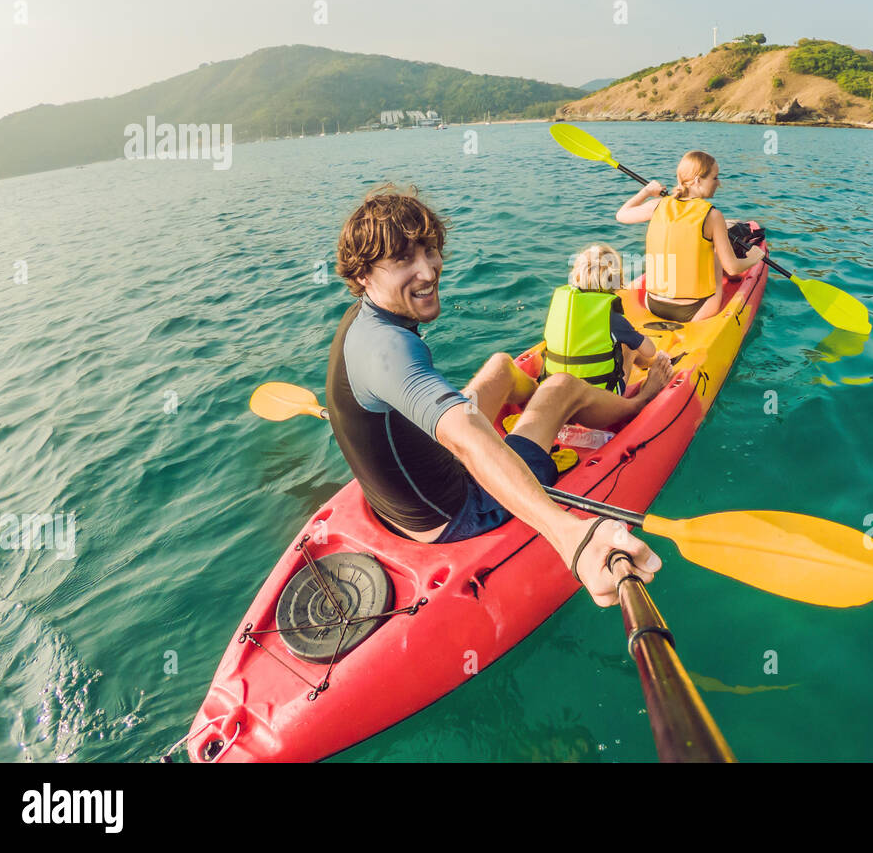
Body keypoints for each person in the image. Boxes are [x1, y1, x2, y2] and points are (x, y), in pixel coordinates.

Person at [324, 185, 673, 606]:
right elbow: (464, 435)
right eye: (402, 259)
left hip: (420, 494)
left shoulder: (360, 324)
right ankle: (631, 403)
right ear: (363, 273)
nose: (428, 270)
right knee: (560, 387)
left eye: (429, 250)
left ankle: (536, 416)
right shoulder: (390, 349)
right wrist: (568, 535)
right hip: (460, 514)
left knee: (501, 366)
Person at [615, 150, 765, 322]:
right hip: (695, 310)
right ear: (697, 180)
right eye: (715, 178)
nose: (719, 183)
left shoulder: (657, 205)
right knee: (717, 254)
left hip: (653, 303)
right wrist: (755, 257)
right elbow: (732, 267)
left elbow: (621, 215)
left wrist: (647, 191)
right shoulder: (713, 216)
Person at [542, 244, 669, 395]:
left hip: (556, 392)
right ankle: (657, 366)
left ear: (576, 277)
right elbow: (649, 350)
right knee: (630, 348)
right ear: (618, 281)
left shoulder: (562, 310)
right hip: (601, 399)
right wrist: (634, 337)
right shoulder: (613, 320)